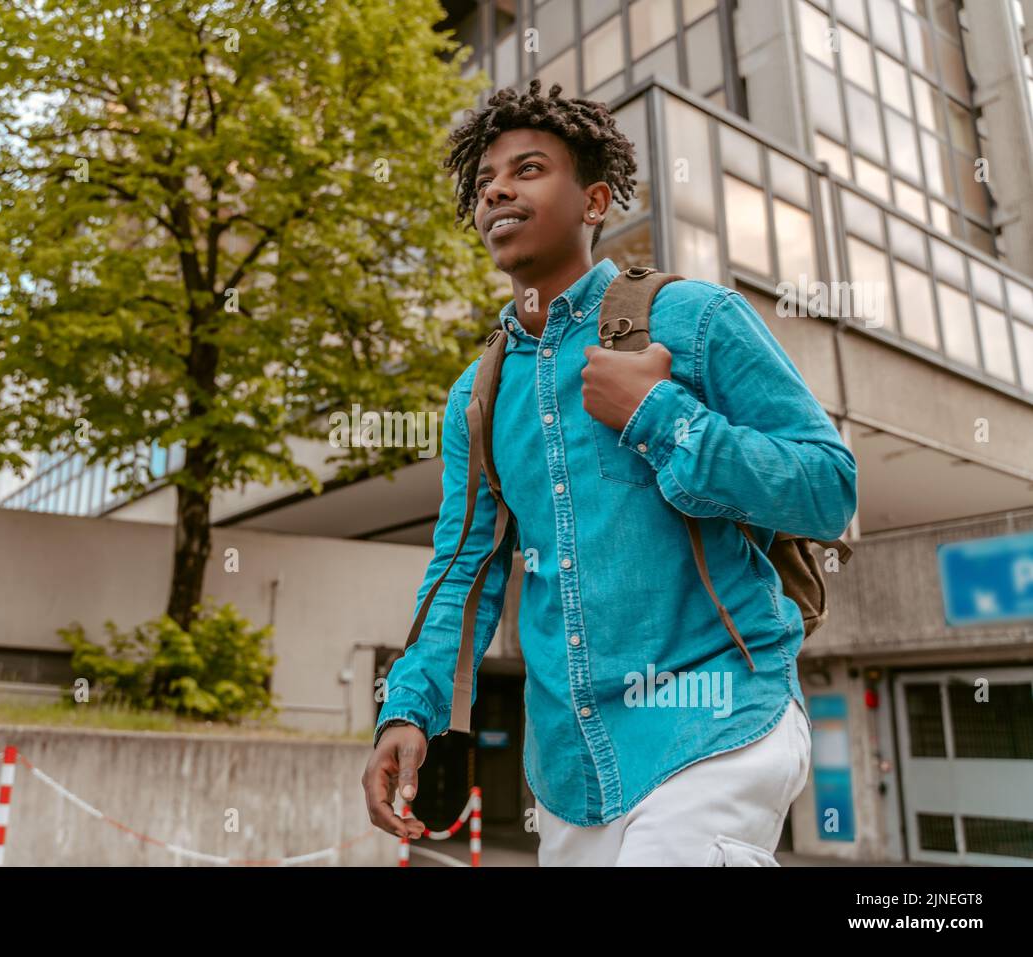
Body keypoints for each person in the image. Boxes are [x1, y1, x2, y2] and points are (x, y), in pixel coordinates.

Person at [361, 79, 857, 866]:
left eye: (527, 169)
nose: (496, 189)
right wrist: (407, 710)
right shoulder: (478, 397)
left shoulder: (695, 319)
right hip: (569, 777)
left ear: (595, 202)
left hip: (718, 722)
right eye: (485, 180)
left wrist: (662, 415)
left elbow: (830, 488)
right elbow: (463, 570)